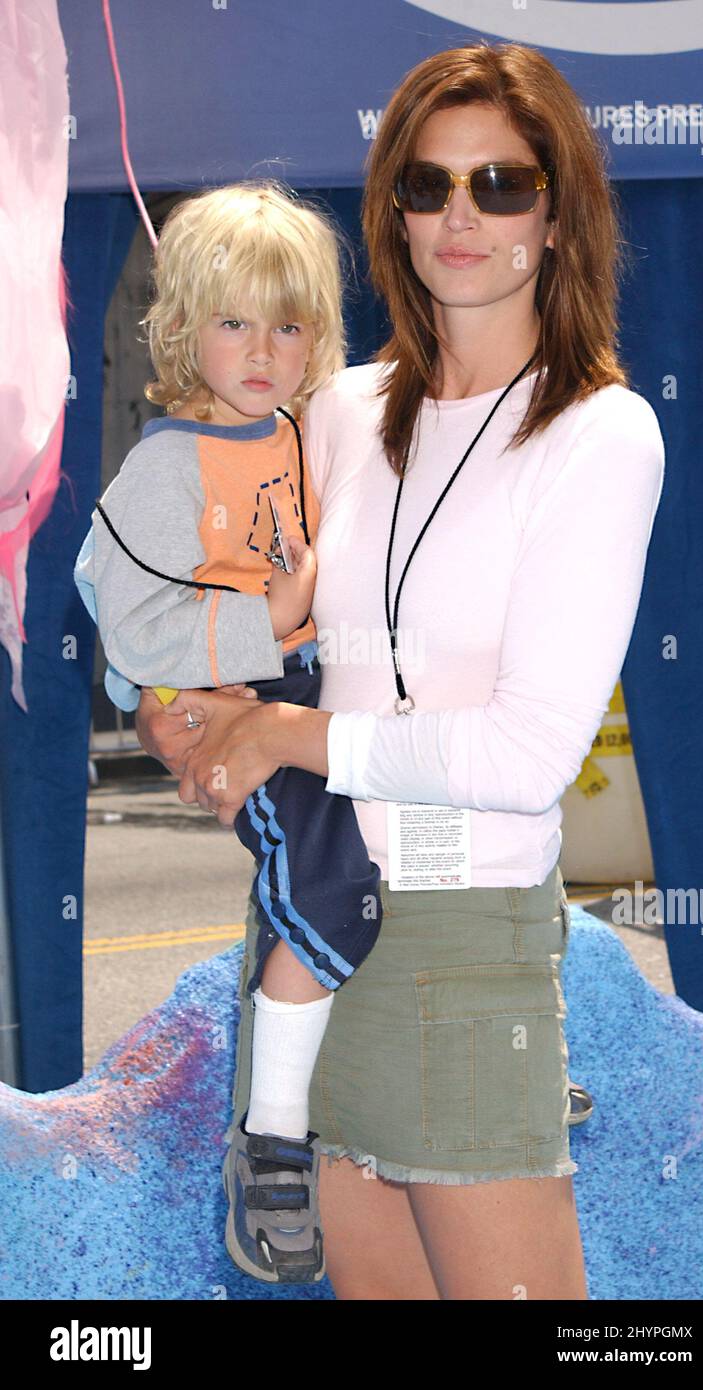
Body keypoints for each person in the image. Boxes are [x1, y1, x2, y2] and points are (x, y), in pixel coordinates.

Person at [134, 42, 665, 1300]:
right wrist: (197, 718)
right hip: (314, 936)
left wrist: (288, 739)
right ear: (392, 213)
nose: (460, 216)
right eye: (427, 188)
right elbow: (268, 641)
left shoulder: (599, 434)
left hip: (470, 952)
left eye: (500, 182)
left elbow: (529, 753)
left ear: (559, 209)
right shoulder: (337, 413)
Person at [72, 182, 385, 1285]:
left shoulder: (310, 430)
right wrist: (272, 621)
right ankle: (274, 1139)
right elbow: (126, 621)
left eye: (289, 324)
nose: (263, 349)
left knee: (443, 809)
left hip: (312, 685)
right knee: (333, 881)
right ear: (180, 327)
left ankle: (471, 1040)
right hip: (234, 698)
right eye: (234, 322)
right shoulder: (167, 467)